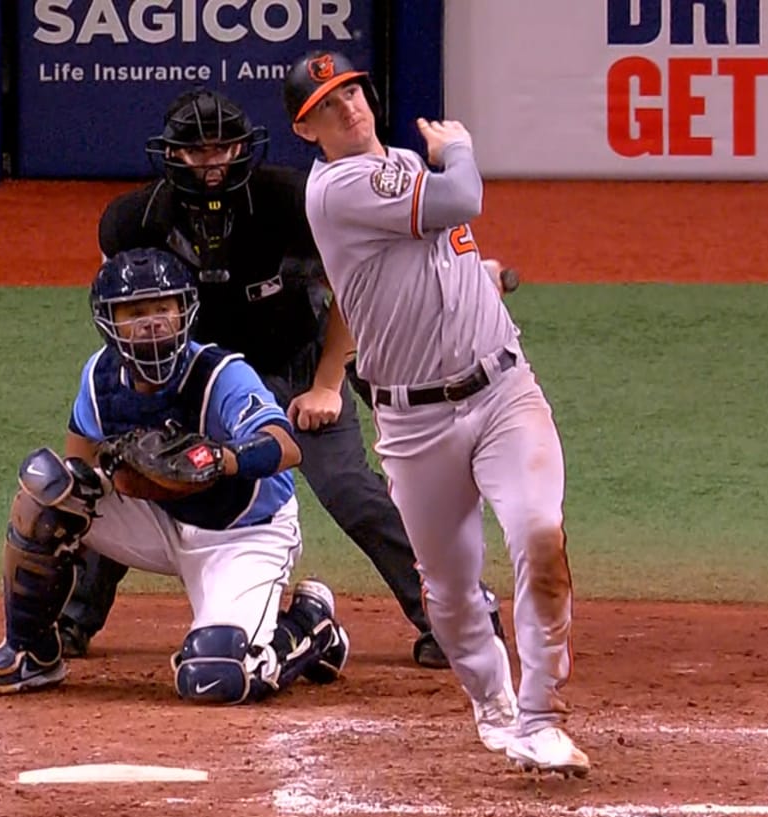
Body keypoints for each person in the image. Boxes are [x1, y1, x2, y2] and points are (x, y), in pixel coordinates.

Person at [58, 86, 503, 669]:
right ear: (171, 155)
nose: (212, 162)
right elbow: (124, 313)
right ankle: (70, 621)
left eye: (224, 148)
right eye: (197, 151)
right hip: (196, 378)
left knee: (346, 486)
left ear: (246, 147)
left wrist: (327, 382)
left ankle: (458, 617)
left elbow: (349, 292)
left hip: (296, 360)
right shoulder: (132, 221)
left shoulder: (291, 200)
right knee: (134, 466)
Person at [282, 51, 589, 776]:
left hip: (504, 391)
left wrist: (476, 282)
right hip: (415, 427)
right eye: (329, 104)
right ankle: (493, 702)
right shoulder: (344, 186)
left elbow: (436, 256)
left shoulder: (394, 167)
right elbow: (460, 202)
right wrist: (461, 150)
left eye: (353, 91)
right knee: (449, 590)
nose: (350, 106)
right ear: (306, 129)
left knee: (539, 537)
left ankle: (541, 718)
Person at [0, 248, 349, 704]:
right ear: (109, 320)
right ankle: (32, 652)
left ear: (185, 311)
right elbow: (80, 470)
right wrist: (117, 478)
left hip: (243, 533)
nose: (151, 323)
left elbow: (284, 447)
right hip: (159, 520)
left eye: (163, 309)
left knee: (215, 676)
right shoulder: (100, 378)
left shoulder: (219, 373)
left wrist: (214, 459)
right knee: (49, 490)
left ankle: (309, 626)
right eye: (135, 312)